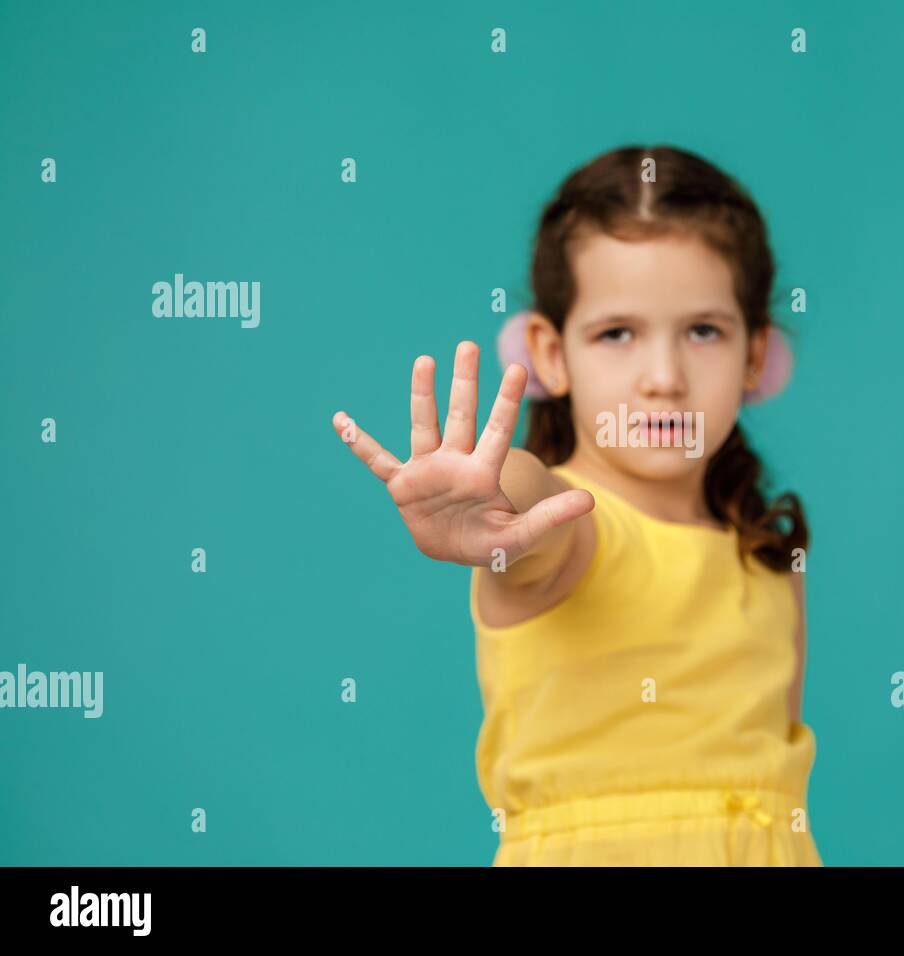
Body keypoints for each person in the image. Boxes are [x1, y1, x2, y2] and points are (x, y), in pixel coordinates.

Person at [332, 145, 821, 865]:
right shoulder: (569, 524)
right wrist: (492, 497)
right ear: (550, 353)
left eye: (704, 330)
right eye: (617, 333)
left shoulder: (769, 555)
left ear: (757, 355)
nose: (663, 377)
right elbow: (535, 507)